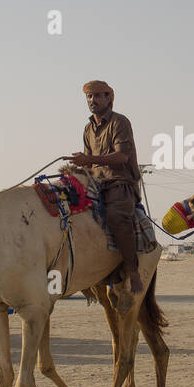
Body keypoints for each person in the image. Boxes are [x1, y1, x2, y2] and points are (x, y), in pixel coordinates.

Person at [68, 79, 144, 302]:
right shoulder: (88, 128)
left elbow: (122, 157)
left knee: (115, 217)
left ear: (109, 98)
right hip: (96, 185)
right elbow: (89, 164)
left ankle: (132, 271)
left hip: (119, 184)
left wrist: (89, 159)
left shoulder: (120, 122)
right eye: (89, 97)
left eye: (98, 96)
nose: (93, 100)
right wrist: (78, 167)